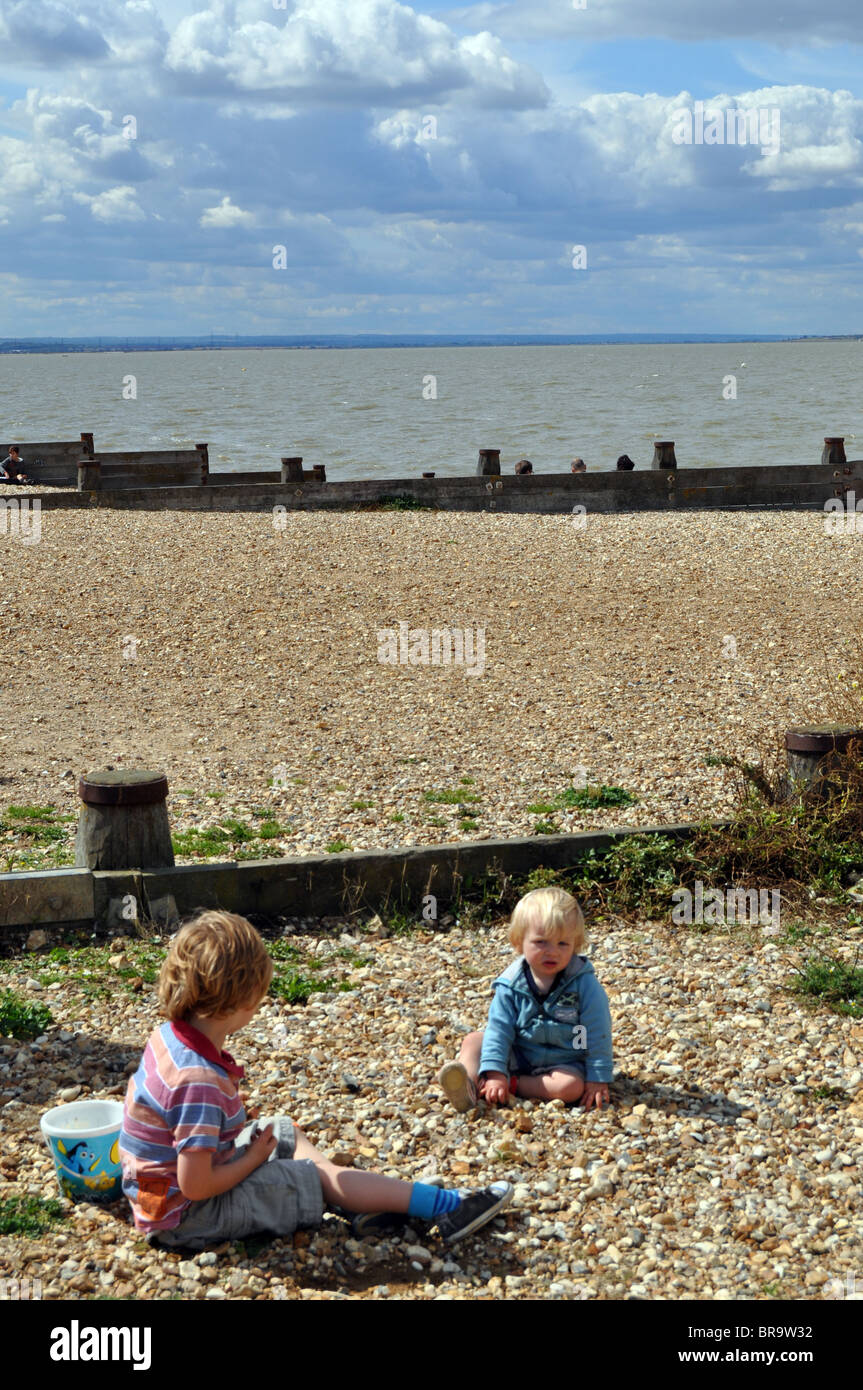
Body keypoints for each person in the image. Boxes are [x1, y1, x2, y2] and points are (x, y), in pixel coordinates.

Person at [120, 911, 513, 1251]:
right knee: (312, 1176)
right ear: (244, 1002)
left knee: (284, 1131)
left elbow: (177, 1125)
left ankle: (357, 1201)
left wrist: (235, 1129)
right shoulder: (198, 1079)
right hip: (187, 1217)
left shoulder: (171, 1036)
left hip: (165, 1192)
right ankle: (446, 1207)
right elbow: (196, 1185)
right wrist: (254, 1158)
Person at [437, 886, 612, 1113]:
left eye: (563, 943)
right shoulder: (510, 985)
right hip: (518, 1054)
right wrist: (496, 1072)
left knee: (570, 1087)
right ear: (519, 942)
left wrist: (598, 1077)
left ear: (575, 945)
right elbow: (500, 1030)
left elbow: (597, 1031)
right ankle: (467, 1086)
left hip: (564, 1061)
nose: (553, 952)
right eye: (541, 942)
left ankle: (511, 1085)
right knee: (473, 1041)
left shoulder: (584, 985)